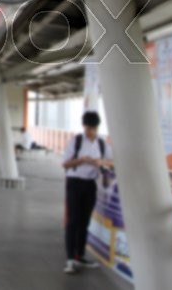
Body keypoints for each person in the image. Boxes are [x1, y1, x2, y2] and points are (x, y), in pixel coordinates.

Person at [62, 111, 114, 274]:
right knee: (73, 222)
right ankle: (70, 259)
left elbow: (111, 162)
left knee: (85, 222)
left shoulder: (101, 144)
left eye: (93, 128)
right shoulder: (75, 141)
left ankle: (80, 255)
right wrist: (82, 160)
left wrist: (99, 162)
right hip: (75, 183)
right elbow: (65, 164)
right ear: (83, 126)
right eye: (88, 128)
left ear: (97, 127)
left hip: (90, 185)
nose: (90, 131)